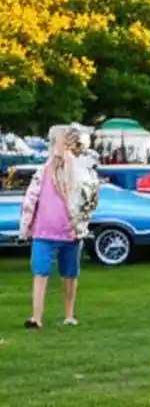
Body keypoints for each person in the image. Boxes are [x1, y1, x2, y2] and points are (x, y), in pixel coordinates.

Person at [18, 126, 100, 328]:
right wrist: (26, 227)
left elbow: (88, 199)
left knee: (70, 274)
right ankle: (36, 318)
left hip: (70, 232)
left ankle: (69, 315)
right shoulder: (43, 172)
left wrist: (80, 225)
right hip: (43, 232)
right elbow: (30, 200)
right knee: (40, 272)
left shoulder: (79, 171)